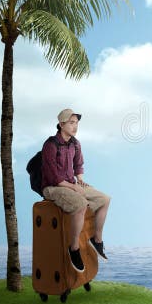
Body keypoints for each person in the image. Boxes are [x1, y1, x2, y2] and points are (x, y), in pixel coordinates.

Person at [41, 108, 111, 273]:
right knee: (80, 204)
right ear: (61, 124)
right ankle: (73, 248)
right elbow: (54, 177)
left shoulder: (75, 143)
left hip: (72, 183)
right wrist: (74, 187)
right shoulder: (50, 145)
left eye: (77, 123)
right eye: (71, 123)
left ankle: (97, 239)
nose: (75, 127)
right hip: (53, 187)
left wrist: (80, 180)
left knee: (104, 199)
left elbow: (78, 164)